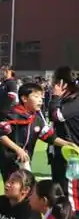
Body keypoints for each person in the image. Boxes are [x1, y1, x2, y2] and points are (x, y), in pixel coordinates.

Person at [0, 82, 77, 182]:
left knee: (25, 190)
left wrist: (68, 144)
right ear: (24, 99)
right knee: (19, 190)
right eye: (36, 97)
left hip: (24, 160)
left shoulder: (36, 119)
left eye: (41, 98)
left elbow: (50, 137)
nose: (40, 101)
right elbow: (1, 135)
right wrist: (18, 150)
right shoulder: (12, 115)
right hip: (9, 161)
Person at [48, 66, 79, 207]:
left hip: (72, 155)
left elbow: (56, 116)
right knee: (59, 191)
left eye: (54, 80)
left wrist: (55, 97)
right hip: (60, 153)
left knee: (70, 195)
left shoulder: (75, 100)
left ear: (62, 83)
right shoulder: (66, 99)